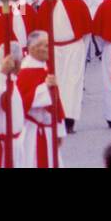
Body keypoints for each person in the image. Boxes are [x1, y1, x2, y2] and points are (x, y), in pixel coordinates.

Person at [34, 0, 93, 133]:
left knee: (72, 84)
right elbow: (40, 28)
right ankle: (55, 116)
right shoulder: (47, 3)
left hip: (73, 48)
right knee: (55, 83)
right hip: (53, 50)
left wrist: (82, 50)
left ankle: (69, 119)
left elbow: (86, 30)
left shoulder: (77, 2)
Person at [17, 31, 66, 168]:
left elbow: (55, 101)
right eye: (45, 45)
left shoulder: (44, 66)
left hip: (48, 130)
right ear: (33, 48)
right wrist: (45, 87)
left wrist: (60, 129)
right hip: (32, 132)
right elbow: (22, 103)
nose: (49, 49)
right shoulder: (25, 71)